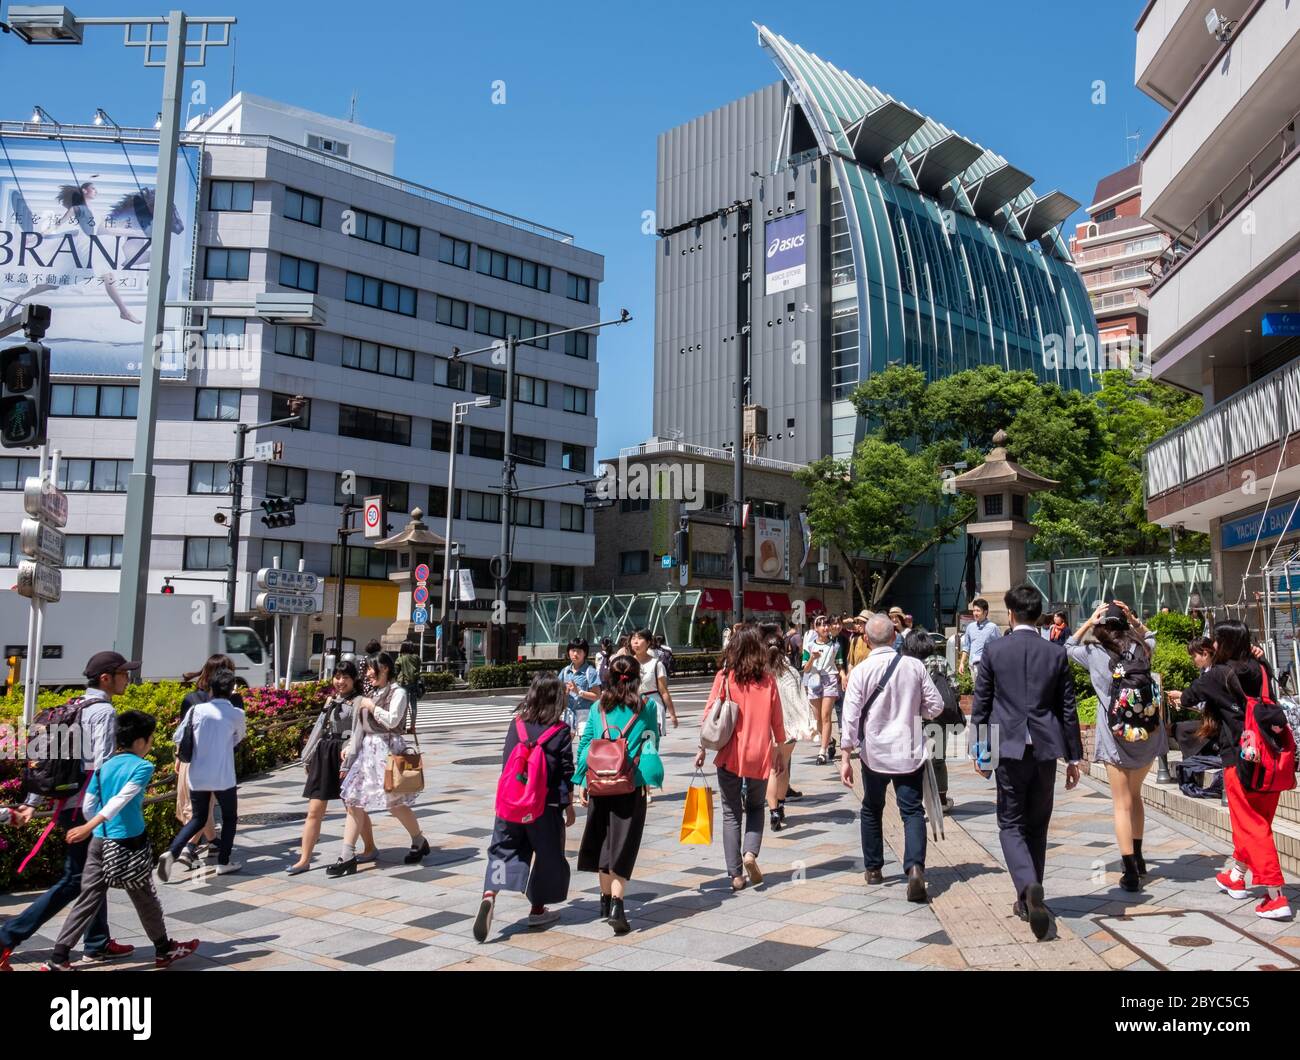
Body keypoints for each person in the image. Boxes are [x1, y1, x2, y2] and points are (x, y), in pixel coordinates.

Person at [0, 651, 135, 972]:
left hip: (67, 805)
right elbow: (101, 766)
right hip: (86, 810)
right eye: (124, 674)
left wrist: (32, 803)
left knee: (93, 873)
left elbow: (46, 761)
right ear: (106, 678)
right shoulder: (102, 711)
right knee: (76, 880)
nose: (127, 679)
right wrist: (102, 814)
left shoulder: (73, 706)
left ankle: (98, 941)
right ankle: (7, 937)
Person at [41, 711, 199, 972]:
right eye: (149, 739)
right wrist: (93, 824)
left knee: (88, 898)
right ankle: (163, 950)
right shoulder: (142, 766)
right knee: (145, 898)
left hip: (100, 842)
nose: (150, 744)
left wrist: (95, 826)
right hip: (129, 844)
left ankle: (58, 958)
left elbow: (90, 805)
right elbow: (123, 797)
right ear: (139, 742)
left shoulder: (104, 766)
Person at [970, 585, 1082, 941]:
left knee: (1010, 823)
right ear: (1040, 616)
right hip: (1045, 748)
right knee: (1037, 823)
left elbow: (982, 705)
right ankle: (1030, 894)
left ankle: (1027, 885)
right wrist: (1074, 757)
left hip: (1008, 747)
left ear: (1012, 614)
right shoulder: (1055, 653)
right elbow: (1068, 708)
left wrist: (981, 752)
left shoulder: (994, 650)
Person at [1168, 621, 1292, 920]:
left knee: (1251, 826)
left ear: (1222, 644)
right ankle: (1236, 875)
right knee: (1257, 822)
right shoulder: (1260, 667)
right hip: (1271, 758)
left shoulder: (1219, 674)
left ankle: (1275, 896)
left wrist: (1175, 695)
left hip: (1241, 758)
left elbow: (1187, 698)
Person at [840, 615, 944, 903]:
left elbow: (850, 716)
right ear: (894, 636)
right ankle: (914, 868)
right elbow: (936, 706)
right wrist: (915, 709)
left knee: (872, 807)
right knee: (911, 811)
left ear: (866, 639)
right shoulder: (914, 666)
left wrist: (846, 755)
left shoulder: (861, 671)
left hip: (874, 753)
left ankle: (874, 868)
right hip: (908, 749)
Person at [1066, 600, 1166, 892]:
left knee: (1121, 803)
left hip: (1116, 733)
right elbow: (1150, 637)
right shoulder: (1142, 649)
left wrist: (1087, 621)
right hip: (1147, 733)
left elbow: (1066, 647)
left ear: (1101, 625)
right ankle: (1139, 856)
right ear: (1125, 622)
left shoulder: (1093, 652)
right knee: (1135, 797)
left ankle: (1130, 871)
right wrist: (1134, 618)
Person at [474, 676, 576, 942]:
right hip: (544, 806)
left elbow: (507, 760)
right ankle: (537, 909)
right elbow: (564, 772)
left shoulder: (516, 724)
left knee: (503, 848)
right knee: (547, 856)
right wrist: (568, 806)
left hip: (510, 804)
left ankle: (489, 894)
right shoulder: (560, 730)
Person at [572, 655, 664, 935]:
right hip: (630, 782)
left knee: (602, 839)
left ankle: (603, 900)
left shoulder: (599, 705)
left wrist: (580, 780)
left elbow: (587, 741)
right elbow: (651, 741)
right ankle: (617, 905)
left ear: (609, 677)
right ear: (637, 679)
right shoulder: (645, 706)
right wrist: (649, 776)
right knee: (623, 843)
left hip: (599, 781)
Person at [694, 626, 786, 889]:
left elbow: (710, 715)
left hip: (730, 754)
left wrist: (702, 749)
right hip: (760, 753)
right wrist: (779, 748)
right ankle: (750, 853)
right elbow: (777, 720)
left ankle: (735, 875)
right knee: (756, 807)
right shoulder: (768, 680)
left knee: (731, 813)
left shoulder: (725, 677)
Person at [328, 653, 429, 876]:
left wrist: (372, 707)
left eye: (371, 670)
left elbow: (393, 720)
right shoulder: (371, 693)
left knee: (395, 804)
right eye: (366, 671)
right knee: (353, 799)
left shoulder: (398, 692)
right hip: (367, 753)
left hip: (388, 751)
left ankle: (419, 840)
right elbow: (360, 726)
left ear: (384, 668)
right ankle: (346, 855)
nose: (367, 674)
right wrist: (351, 747)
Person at [157, 668, 247, 880]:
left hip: (197, 774)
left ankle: (173, 851)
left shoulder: (196, 711)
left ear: (211, 689)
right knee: (229, 818)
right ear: (232, 690)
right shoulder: (236, 714)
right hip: (224, 776)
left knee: (197, 818)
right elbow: (238, 738)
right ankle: (223, 862)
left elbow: (178, 735)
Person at [288, 661, 376, 874]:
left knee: (353, 807)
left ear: (354, 679)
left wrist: (349, 760)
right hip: (324, 755)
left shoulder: (360, 702)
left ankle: (370, 848)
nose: (340, 681)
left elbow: (358, 733)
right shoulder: (331, 701)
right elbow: (319, 728)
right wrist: (307, 757)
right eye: (337, 676)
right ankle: (304, 859)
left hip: (347, 756)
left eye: (345, 677)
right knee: (314, 810)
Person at [175, 654, 244, 866]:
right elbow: (238, 737)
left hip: (193, 762)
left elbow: (181, 734)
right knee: (217, 813)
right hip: (221, 767)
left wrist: (178, 756)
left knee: (196, 812)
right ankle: (210, 853)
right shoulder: (234, 704)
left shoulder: (193, 700)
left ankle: (190, 847)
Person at [899, 628, 962, 813]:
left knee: (915, 759)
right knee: (938, 760)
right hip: (939, 717)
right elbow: (955, 687)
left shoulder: (908, 665)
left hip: (914, 718)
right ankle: (941, 800)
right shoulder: (942, 661)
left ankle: (917, 799)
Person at [760, 624, 816, 830]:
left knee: (771, 771)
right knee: (783, 767)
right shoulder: (791, 672)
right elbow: (802, 699)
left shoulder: (760, 673)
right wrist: (808, 724)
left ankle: (773, 810)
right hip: (789, 729)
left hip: (767, 730)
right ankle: (781, 806)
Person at [803, 615, 845, 765]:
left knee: (826, 715)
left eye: (826, 624)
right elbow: (805, 670)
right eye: (821, 625)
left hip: (830, 679)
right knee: (818, 720)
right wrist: (812, 659)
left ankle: (822, 751)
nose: (825, 627)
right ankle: (830, 741)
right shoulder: (809, 645)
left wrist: (843, 676)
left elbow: (839, 665)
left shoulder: (835, 646)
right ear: (815, 628)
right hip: (814, 680)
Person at [630, 628, 678, 734]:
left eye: (640, 638)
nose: (636, 642)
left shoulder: (657, 664)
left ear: (648, 642)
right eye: (633, 638)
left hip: (652, 706)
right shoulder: (627, 663)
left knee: (651, 743)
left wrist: (672, 714)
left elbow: (664, 691)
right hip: (633, 706)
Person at [558, 637, 602, 734]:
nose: (575, 654)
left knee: (584, 743)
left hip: (585, 713)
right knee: (566, 744)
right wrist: (563, 693)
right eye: (573, 650)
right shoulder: (565, 671)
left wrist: (578, 692)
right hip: (568, 713)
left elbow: (597, 696)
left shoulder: (590, 672)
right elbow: (558, 692)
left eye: (578, 651)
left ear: (585, 653)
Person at [958, 598, 1001, 677]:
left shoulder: (993, 627)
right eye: (974, 610)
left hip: (986, 666)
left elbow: (999, 647)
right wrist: (962, 663)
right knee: (976, 688)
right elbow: (966, 647)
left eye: (978, 611)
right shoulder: (970, 627)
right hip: (972, 666)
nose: (975, 613)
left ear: (985, 612)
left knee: (985, 689)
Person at [396, 641, 422, 733]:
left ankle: (402, 727)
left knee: (404, 706)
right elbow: (418, 668)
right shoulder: (417, 658)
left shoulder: (401, 658)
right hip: (414, 683)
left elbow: (396, 670)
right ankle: (413, 727)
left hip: (403, 683)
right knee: (414, 705)